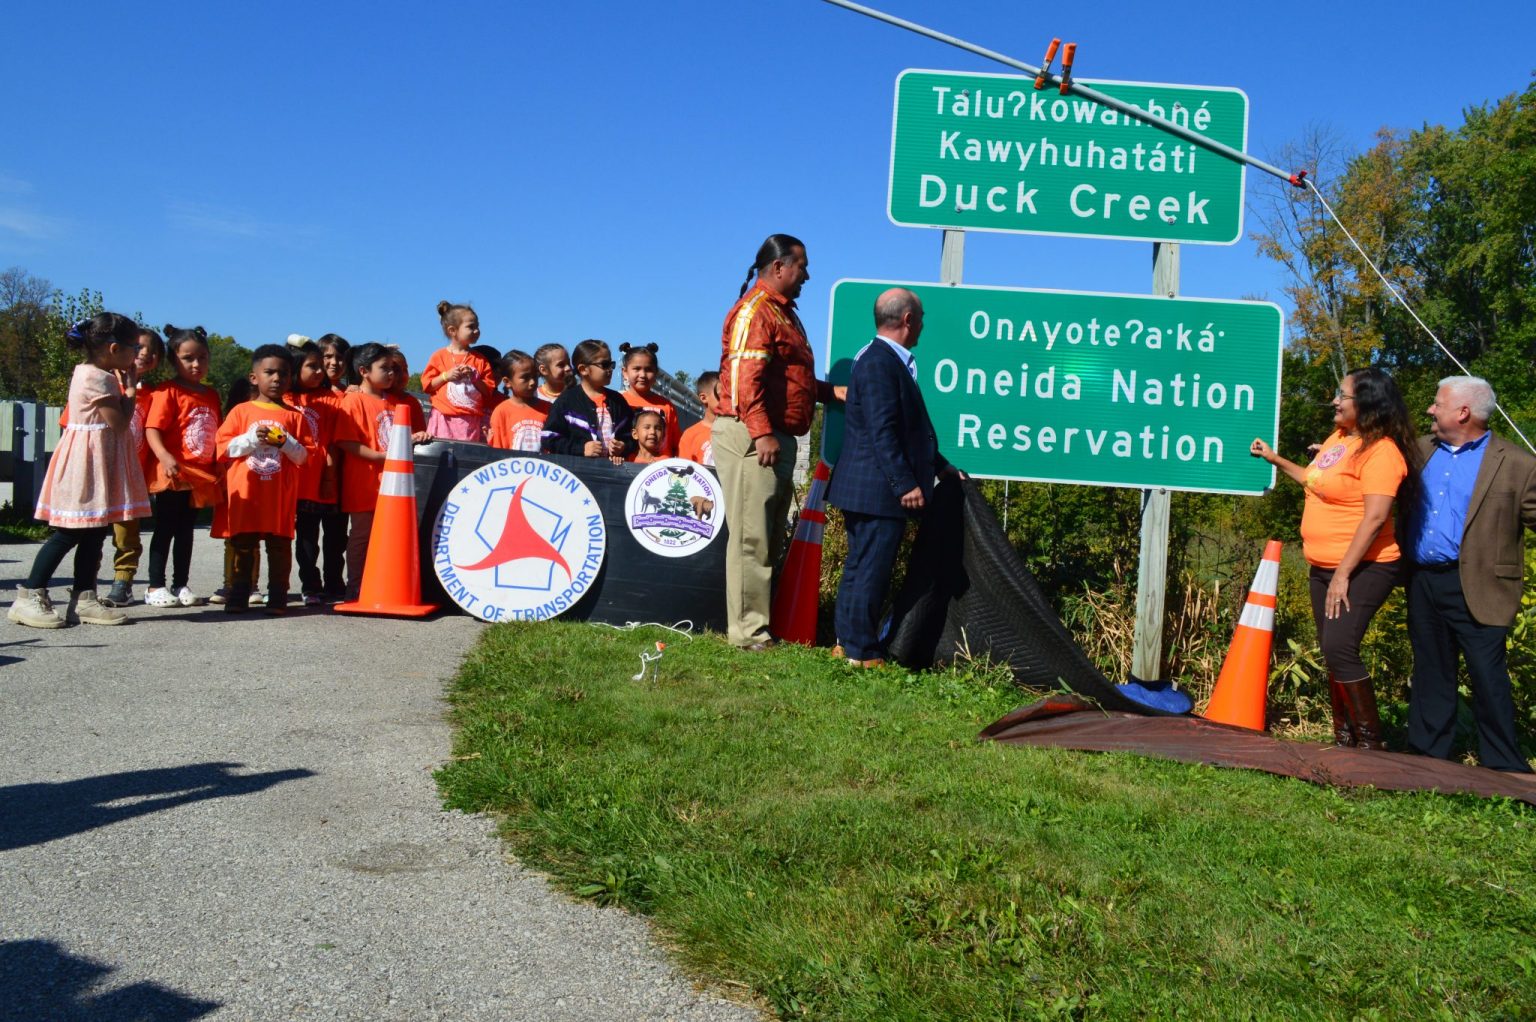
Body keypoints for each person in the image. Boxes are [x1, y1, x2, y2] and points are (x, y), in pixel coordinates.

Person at [1250, 368, 1418, 749]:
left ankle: (1372, 746)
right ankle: (1345, 736)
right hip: (1323, 567)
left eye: (1342, 396)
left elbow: (1375, 518)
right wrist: (1274, 459)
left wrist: (1343, 574)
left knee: (1341, 648)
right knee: (1331, 651)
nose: (1335, 402)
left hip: (1366, 567)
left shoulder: (1383, 452)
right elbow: (1315, 481)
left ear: (1368, 404)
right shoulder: (1339, 439)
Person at [713, 233, 843, 650]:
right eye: (802, 266)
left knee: (767, 534)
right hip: (754, 435)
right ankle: (749, 634)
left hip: (773, 435)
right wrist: (763, 432)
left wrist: (829, 393)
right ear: (779, 267)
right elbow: (742, 381)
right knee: (752, 536)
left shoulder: (784, 313)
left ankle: (760, 626)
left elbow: (790, 378)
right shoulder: (756, 311)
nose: (807, 274)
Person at [1406, 376, 1536, 772]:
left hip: (1483, 585)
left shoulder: (1518, 464)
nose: (1430, 409)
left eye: (1437, 403)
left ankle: (1503, 764)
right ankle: (1428, 756)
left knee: (1487, 676)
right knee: (1430, 670)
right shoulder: (1419, 451)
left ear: (1463, 412)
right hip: (1424, 581)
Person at [827, 289, 960, 667]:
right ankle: (861, 650)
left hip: (868, 486)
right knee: (871, 569)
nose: (922, 325)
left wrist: (940, 466)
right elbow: (883, 431)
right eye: (920, 318)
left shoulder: (879, 360)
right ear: (907, 320)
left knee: (860, 566)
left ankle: (848, 643)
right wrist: (905, 484)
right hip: (877, 488)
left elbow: (907, 432)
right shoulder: (880, 363)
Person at [10, 313, 150, 628]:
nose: (136, 355)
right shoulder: (98, 377)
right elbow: (118, 423)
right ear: (115, 349)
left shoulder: (90, 372)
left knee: (95, 531)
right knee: (69, 532)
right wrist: (130, 390)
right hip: (87, 465)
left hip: (96, 462)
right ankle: (29, 594)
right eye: (134, 347)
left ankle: (85, 598)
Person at [215, 345, 313, 614]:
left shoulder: (294, 416)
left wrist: (284, 442)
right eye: (269, 372)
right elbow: (223, 448)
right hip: (246, 493)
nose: (277, 378)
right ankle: (238, 595)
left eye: (283, 373)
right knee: (243, 545)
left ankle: (279, 596)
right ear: (254, 377)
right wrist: (250, 439)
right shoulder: (241, 412)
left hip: (279, 496)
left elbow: (305, 456)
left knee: (279, 547)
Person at [333, 343, 427, 598]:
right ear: (364, 371)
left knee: (391, 535)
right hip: (363, 482)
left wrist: (418, 436)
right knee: (362, 535)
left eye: (393, 369)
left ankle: (384, 584)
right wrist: (380, 456)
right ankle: (356, 586)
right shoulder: (352, 401)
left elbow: (409, 436)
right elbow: (345, 441)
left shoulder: (399, 403)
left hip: (394, 484)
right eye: (384, 368)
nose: (391, 374)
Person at [144, 324, 222, 608]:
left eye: (202, 357)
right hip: (173, 473)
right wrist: (165, 457)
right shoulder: (167, 391)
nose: (196, 364)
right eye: (188, 358)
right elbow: (152, 428)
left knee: (186, 530)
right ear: (173, 360)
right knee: (165, 527)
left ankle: (180, 584)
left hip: (199, 474)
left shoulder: (211, 394)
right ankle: (155, 585)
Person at [291, 341, 344, 605]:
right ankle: (310, 585)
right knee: (307, 539)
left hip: (328, 479)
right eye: (311, 366)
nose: (319, 371)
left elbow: (335, 441)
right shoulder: (286, 399)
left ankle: (335, 583)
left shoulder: (333, 400)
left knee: (336, 537)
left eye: (319, 366)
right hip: (300, 482)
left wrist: (330, 476)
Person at [542, 339, 635, 463]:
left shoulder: (618, 400)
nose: (610, 369)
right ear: (583, 369)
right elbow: (549, 438)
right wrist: (581, 449)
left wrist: (623, 446)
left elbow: (633, 436)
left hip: (612, 476)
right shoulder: (566, 401)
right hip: (576, 475)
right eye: (604, 364)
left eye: (611, 364)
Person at [421, 300, 496, 440]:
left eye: (478, 326)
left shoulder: (480, 360)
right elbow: (427, 385)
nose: (476, 331)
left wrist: (475, 378)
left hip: (470, 420)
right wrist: (445, 376)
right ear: (452, 331)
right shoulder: (439, 356)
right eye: (471, 327)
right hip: (443, 417)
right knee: (442, 455)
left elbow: (488, 391)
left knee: (465, 457)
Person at [619, 342, 680, 457]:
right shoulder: (617, 402)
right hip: (627, 470)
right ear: (625, 372)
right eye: (636, 369)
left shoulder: (666, 406)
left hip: (661, 471)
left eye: (648, 370)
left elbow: (676, 445)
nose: (642, 374)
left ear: (656, 373)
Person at [487, 350, 549, 452]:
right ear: (507, 382)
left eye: (535, 376)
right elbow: (498, 451)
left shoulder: (548, 409)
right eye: (525, 378)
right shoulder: (501, 412)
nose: (533, 382)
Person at [678, 371, 719, 468]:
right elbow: (684, 470)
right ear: (704, 398)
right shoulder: (690, 435)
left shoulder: (737, 430)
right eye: (721, 395)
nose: (727, 400)